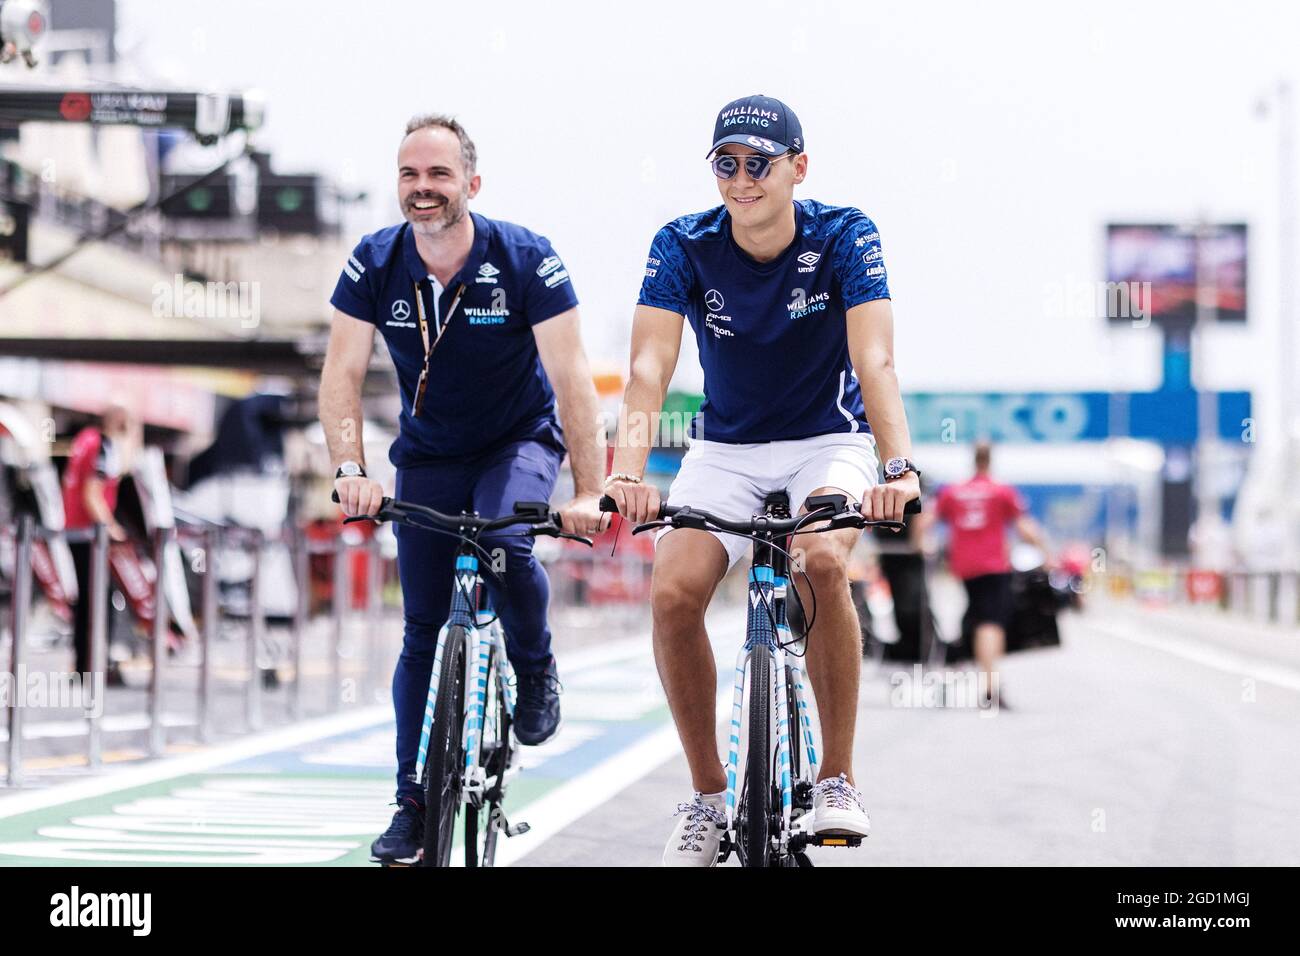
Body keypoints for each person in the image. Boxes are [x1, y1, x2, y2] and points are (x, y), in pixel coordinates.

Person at [605, 94, 921, 867]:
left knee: (820, 561)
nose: (742, 180)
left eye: (759, 164)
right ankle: (709, 797)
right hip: (729, 447)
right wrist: (625, 472)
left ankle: (837, 779)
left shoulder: (846, 234)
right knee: (675, 593)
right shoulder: (682, 243)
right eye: (727, 164)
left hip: (827, 439)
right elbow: (649, 366)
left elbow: (873, 360)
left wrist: (898, 468)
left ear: (797, 169)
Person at [319, 114, 608, 864]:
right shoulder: (374, 261)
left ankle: (535, 665)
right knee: (421, 628)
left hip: (516, 442)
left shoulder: (525, 258)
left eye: (439, 175)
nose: (423, 188)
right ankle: (412, 801)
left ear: (470, 185)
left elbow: (574, 377)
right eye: (410, 175)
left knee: (508, 542)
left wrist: (591, 489)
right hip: (430, 455)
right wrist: (350, 468)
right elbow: (342, 373)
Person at [928, 441, 1046, 708]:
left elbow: (927, 520)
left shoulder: (954, 491)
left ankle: (960, 661)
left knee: (977, 615)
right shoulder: (1001, 491)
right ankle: (991, 685)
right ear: (990, 460)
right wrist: (1045, 552)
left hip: (964, 567)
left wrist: (921, 545)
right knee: (991, 623)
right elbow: (1024, 526)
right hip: (993, 566)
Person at [62, 404, 139, 681]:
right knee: (99, 601)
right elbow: (92, 492)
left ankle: (84, 665)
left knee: (87, 600)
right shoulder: (103, 446)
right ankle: (93, 666)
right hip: (90, 534)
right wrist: (112, 528)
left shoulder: (86, 439)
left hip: (74, 530)